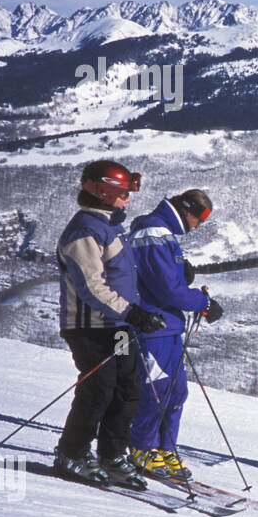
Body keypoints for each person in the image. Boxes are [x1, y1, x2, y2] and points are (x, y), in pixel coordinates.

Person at [54, 159, 165, 488]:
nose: (127, 200)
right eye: (121, 193)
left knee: (128, 389)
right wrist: (132, 313)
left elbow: (123, 277)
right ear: (101, 191)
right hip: (90, 328)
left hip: (116, 328)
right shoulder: (84, 232)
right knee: (98, 391)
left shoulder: (110, 227)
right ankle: (71, 454)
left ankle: (112, 455)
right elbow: (92, 288)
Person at [127, 189, 224, 481]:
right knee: (156, 391)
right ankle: (141, 447)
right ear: (187, 209)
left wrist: (183, 272)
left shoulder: (164, 233)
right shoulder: (153, 231)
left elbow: (168, 278)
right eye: (201, 218)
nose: (199, 225)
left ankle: (165, 448)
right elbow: (166, 289)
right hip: (152, 325)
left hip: (168, 326)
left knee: (176, 392)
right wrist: (202, 302)